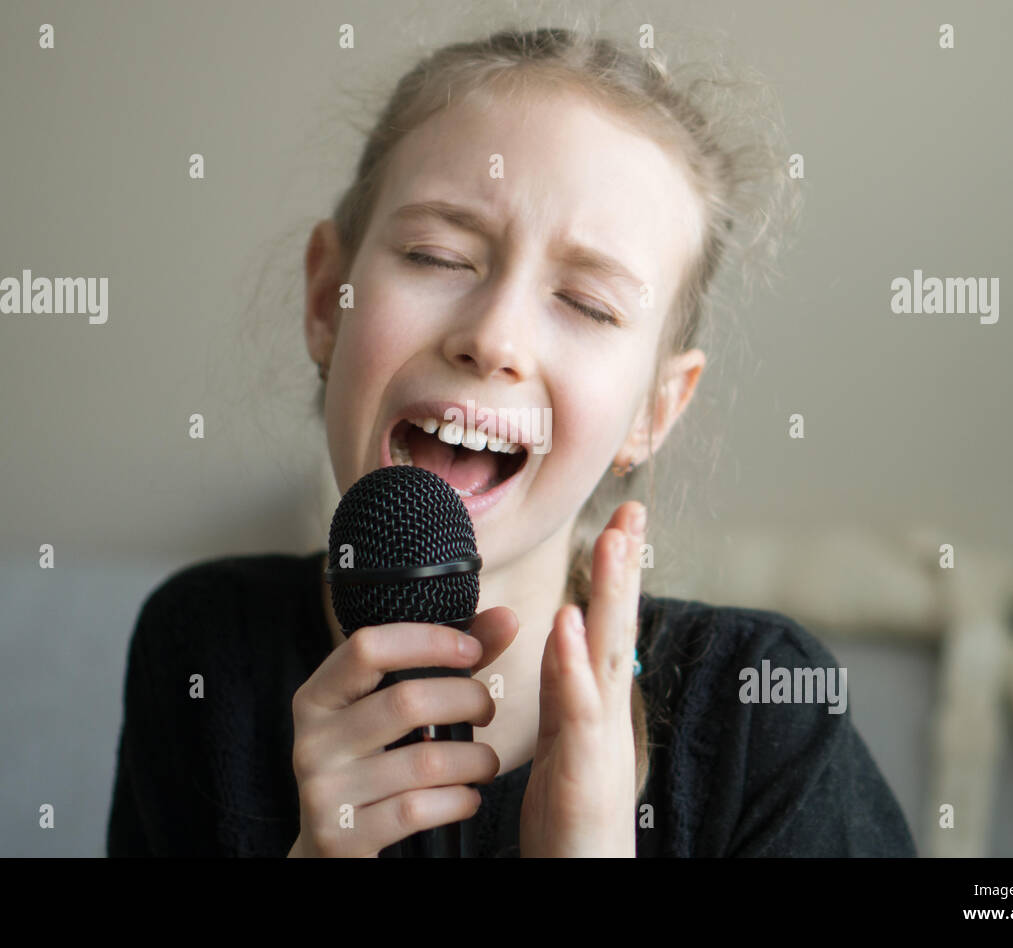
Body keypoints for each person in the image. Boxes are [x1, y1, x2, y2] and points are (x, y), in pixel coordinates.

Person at [107, 24, 916, 858]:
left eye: (590, 305)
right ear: (326, 301)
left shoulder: (766, 711)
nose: (494, 338)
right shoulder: (207, 649)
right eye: (437, 254)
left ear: (654, 409)